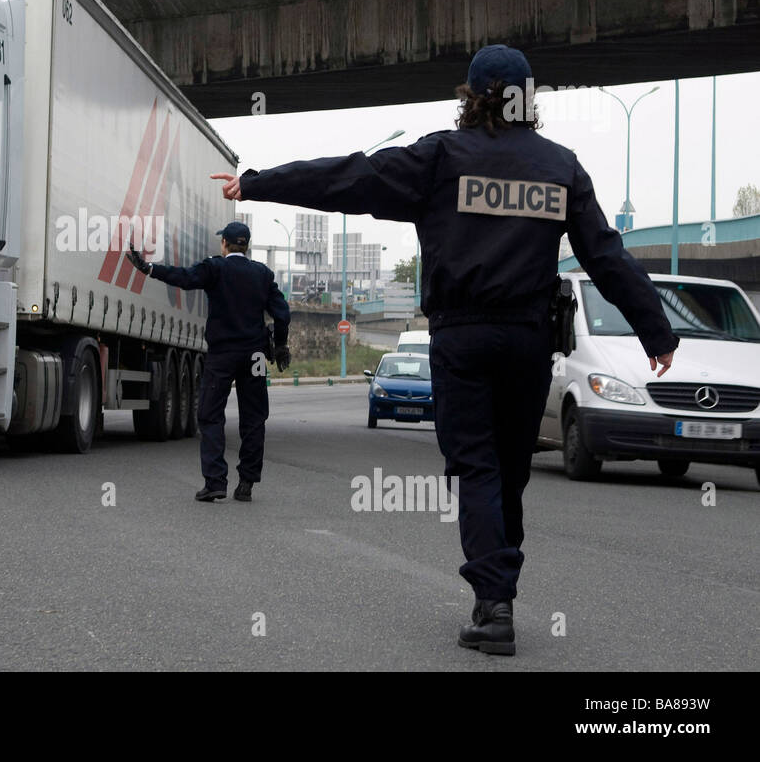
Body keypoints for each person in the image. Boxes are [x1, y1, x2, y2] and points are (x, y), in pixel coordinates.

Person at [212, 44, 678, 655]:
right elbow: (606, 256)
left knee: (480, 467)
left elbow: (350, 177)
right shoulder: (560, 167)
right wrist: (657, 332)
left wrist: (256, 183)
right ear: (528, 102)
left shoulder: (440, 158)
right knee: (509, 468)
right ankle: (499, 589)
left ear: (471, 96)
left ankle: (495, 606)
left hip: (461, 338)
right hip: (527, 341)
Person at [128, 222, 291, 503]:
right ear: (247, 246)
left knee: (210, 414)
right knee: (254, 417)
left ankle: (215, 482)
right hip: (255, 355)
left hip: (222, 354)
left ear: (225, 244)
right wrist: (280, 344)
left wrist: (150, 269)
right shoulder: (263, 274)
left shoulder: (215, 268)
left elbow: (185, 277)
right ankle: (246, 484)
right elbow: (282, 312)